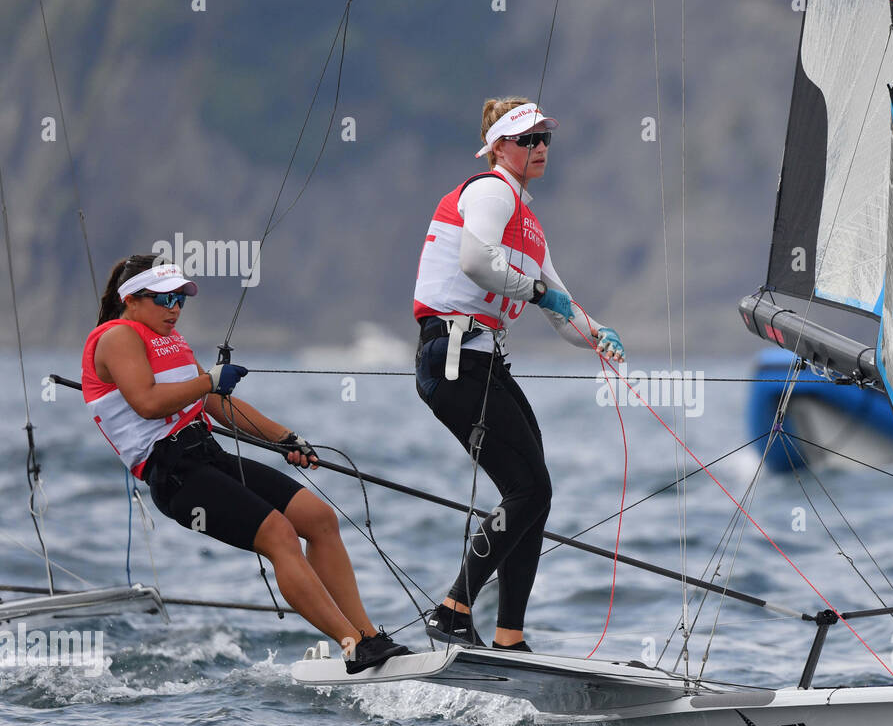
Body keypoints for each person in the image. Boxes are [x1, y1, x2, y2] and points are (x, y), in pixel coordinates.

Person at [83, 253, 410, 673]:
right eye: (164, 299)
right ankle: (351, 646)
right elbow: (147, 403)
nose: (175, 308)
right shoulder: (116, 337)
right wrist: (207, 380)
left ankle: (368, 638)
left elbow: (216, 403)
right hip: (174, 474)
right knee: (279, 534)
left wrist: (285, 438)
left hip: (208, 454)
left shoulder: (171, 341)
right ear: (132, 298)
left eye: (181, 298)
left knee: (318, 517)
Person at [413, 97, 624, 653]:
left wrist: (599, 333)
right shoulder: (489, 191)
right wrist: (534, 291)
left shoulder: (528, 223)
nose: (540, 148)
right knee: (528, 487)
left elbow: (563, 313)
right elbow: (476, 262)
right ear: (498, 147)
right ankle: (454, 607)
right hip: (451, 359)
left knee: (535, 491)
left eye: (546, 138)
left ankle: (509, 636)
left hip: (482, 360)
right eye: (527, 139)